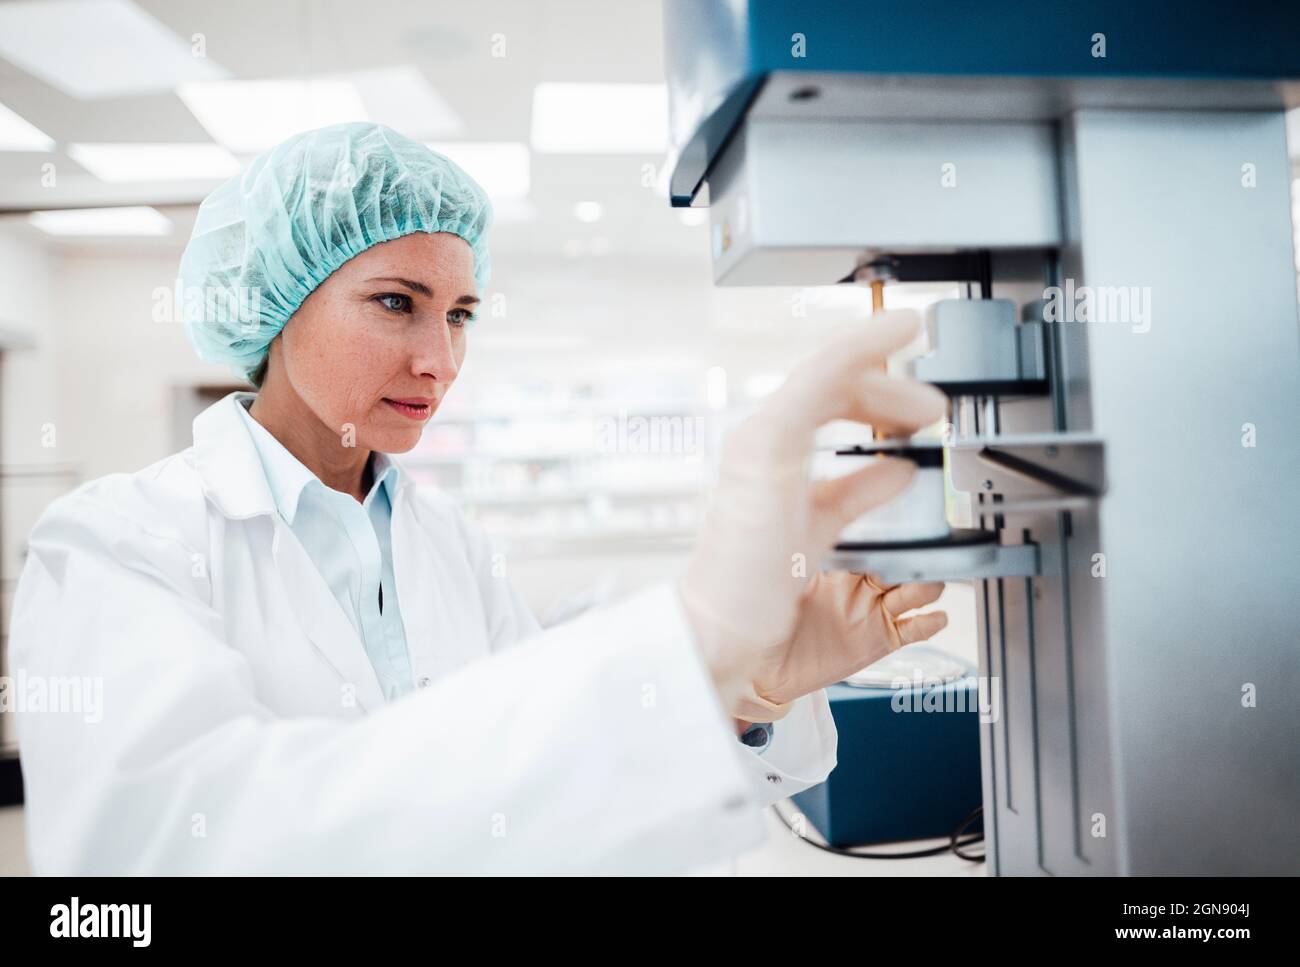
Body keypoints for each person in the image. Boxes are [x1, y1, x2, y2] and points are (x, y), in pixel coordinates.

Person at [7, 122, 948, 873]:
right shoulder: (116, 544)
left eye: (460, 314)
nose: (441, 359)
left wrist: (749, 689)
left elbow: (562, 792)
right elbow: (155, 851)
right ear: (275, 299)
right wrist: (692, 637)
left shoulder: (442, 539)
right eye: (396, 302)